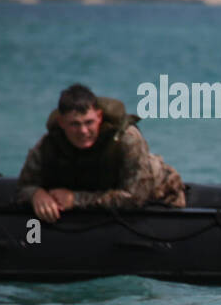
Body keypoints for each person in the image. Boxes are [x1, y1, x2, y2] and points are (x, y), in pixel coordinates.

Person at [17, 84, 186, 222]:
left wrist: (75, 200)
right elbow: (24, 185)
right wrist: (36, 195)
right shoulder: (49, 144)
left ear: (99, 117)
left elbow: (134, 198)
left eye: (89, 122)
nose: (83, 131)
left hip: (157, 195)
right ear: (61, 123)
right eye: (74, 124)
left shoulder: (127, 139)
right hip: (97, 192)